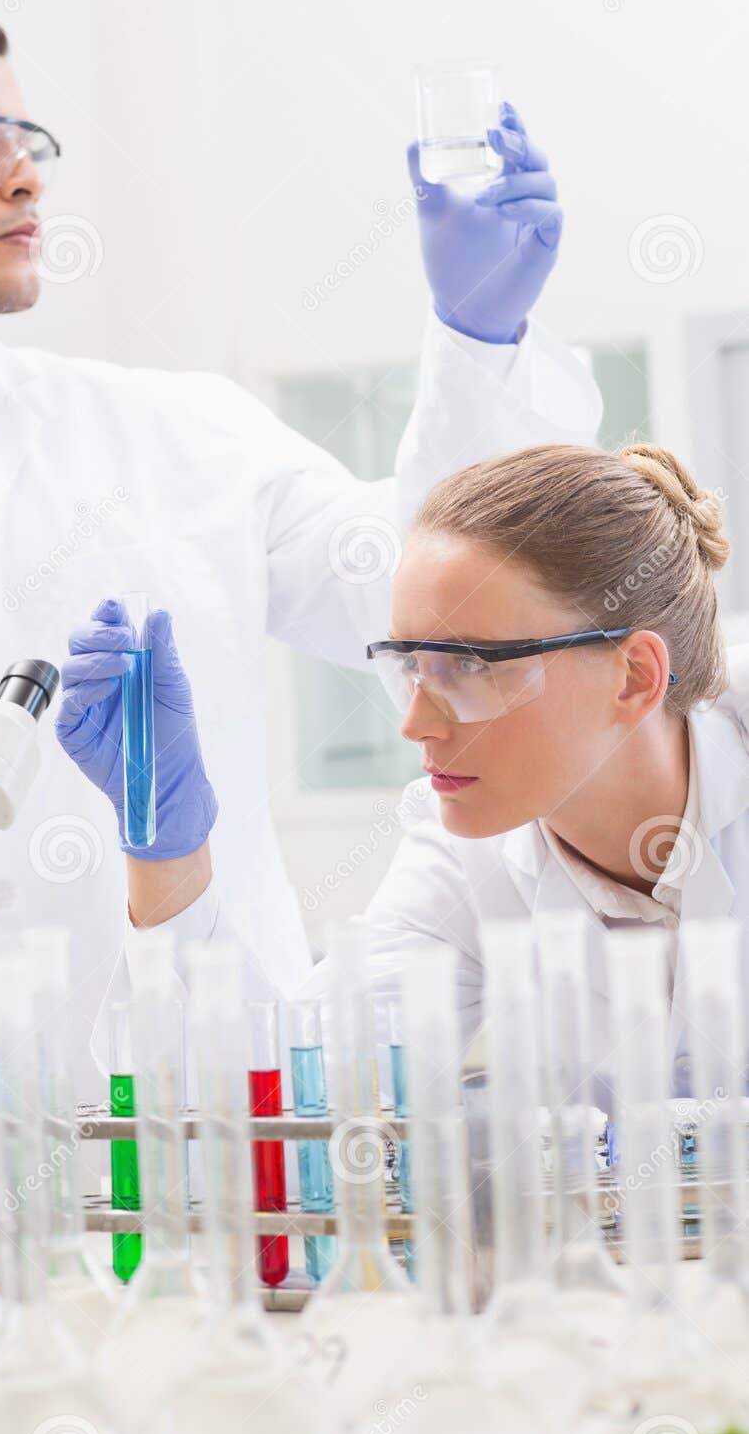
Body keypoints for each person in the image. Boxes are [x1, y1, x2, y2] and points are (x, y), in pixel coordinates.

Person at [0, 0, 597, 1163]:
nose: (24, 179)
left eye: (32, 145)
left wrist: (475, 341)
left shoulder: (182, 433)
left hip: (196, 1136)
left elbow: (419, 598)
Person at [60, 442, 744, 1072]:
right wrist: (166, 852)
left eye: (470, 666)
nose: (414, 724)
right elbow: (299, 1096)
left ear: (632, 678)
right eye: (411, 667)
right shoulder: (465, 860)